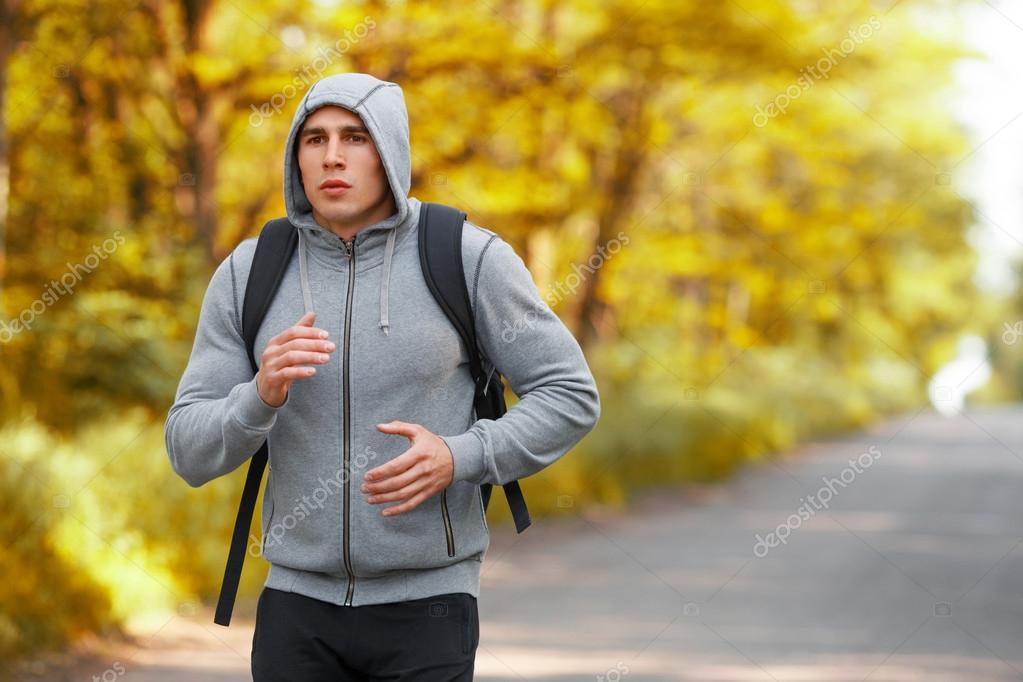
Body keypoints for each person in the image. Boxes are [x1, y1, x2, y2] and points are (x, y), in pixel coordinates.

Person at [164, 72, 601, 681]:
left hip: (430, 605)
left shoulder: (468, 258)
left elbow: (570, 394)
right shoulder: (250, 271)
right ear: (296, 157)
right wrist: (257, 397)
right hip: (296, 608)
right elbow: (187, 448)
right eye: (313, 139)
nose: (333, 156)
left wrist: (462, 455)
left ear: (390, 150)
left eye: (356, 137)